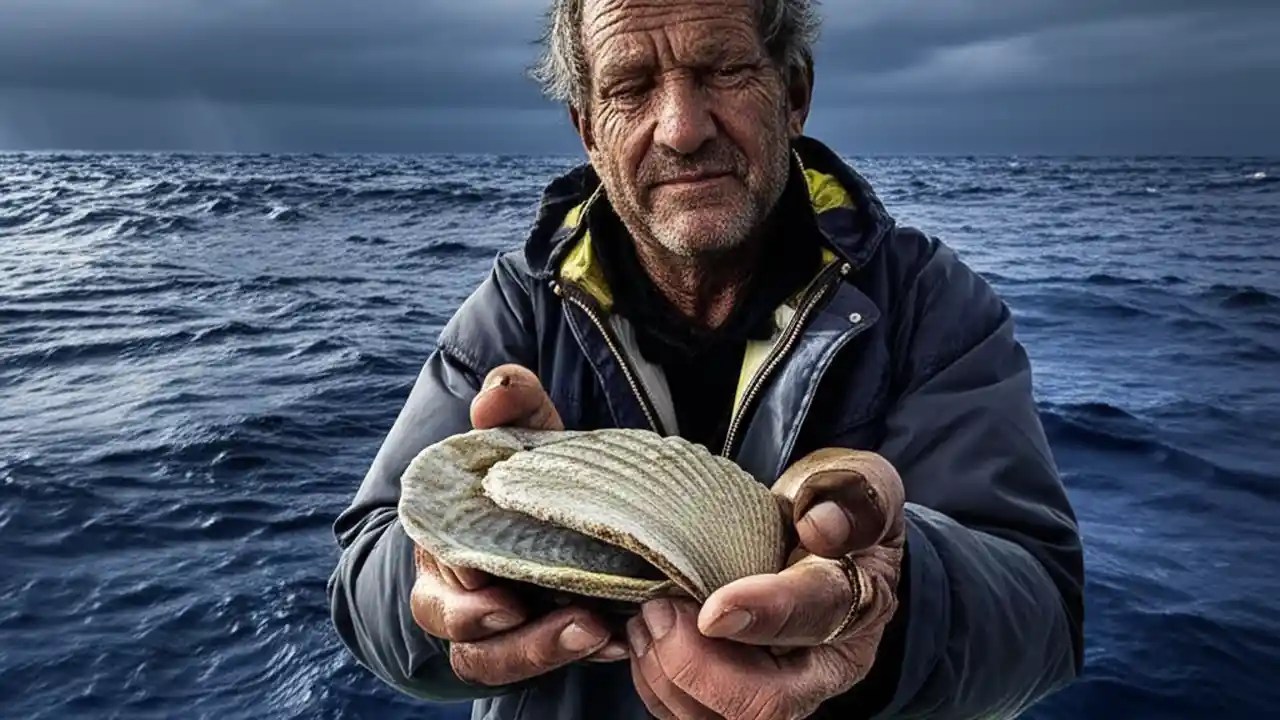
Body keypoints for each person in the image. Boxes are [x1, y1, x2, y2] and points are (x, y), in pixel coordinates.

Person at [327, 0, 1085, 717]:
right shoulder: (519, 307)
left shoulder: (927, 300)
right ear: (588, 127)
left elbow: (1043, 616)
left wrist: (893, 596)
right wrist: (451, 581)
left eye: (723, 69)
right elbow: (365, 585)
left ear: (794, 93)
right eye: (631, 85)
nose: (682, 129)